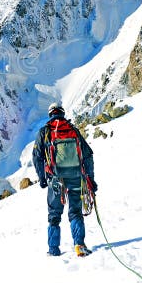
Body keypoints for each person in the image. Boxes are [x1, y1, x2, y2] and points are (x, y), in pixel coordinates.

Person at [33, 102, 97, 257]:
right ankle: (79, 246)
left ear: (50, 114)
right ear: (62, 113)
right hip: (76, 177)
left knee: (54, 215)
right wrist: (90, 180)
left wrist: (42, 178)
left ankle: (54, 250)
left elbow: (37, 156)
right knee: (75, 212)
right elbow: (87, 155)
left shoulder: (45, 132)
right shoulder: (73, 130)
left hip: (56, 180)